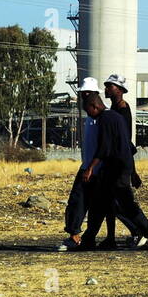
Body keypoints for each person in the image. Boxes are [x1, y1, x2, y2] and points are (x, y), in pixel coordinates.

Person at [71, 91, 148, 251]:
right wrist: (133, 171)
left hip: (116, 169)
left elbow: (105, 147)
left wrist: (91, 167)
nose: (89, 115)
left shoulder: (105, 119)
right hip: (119, 168)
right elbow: (128, 145)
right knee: (101, 203)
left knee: (127, 207)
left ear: (94, 106)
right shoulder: (115, 117)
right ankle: (92, 239)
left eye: (88, 111)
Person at [58, 77, 101, 251]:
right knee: (77, 200)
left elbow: (104, 145)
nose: (84, 96)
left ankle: (141, 230)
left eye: (86, 93)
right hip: (88, 166)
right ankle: (74, 235)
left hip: (96, 168)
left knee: (113, 204)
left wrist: (92, 167)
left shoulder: (101, 117)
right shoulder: (90, 116)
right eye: (83, 94)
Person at [102, 74, 144, 248]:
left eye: (109, 86)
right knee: (109, 203)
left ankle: (139, 231)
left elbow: (126, 143)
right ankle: (110, 238)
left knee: (121, 203)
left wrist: (132, 171)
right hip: (112, 163)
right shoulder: (113, 109)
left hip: (120, 165)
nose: (106, 89)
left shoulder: (123, 110)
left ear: (119, 90)